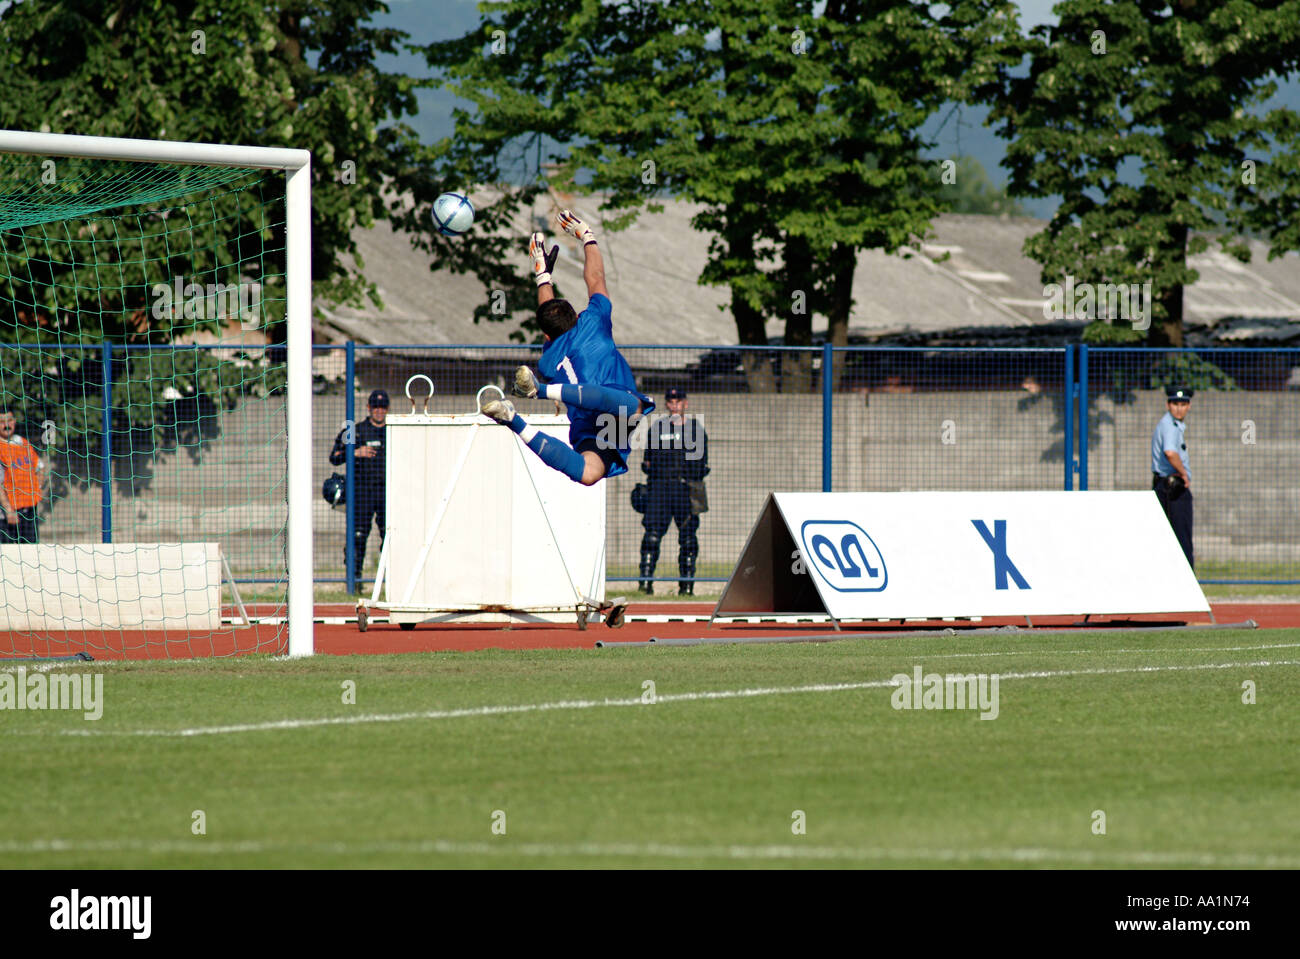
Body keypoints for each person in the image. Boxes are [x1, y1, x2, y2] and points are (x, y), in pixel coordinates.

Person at [481, 209, 654, 487]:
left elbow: (547, 317)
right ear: (576, 315)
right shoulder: (593, 321)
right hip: (611, 405)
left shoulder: (549, 359)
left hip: (589, 424)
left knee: (587, 473)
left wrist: (543, 277)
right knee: (631, 405)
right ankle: (538, 393)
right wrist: (587, 236)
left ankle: (513, 419)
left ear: (547, 335)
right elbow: (595, 278)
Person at [638, 387, 710, 595]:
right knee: (651, 536)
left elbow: (702, 463)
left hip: (685, 490)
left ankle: (686, 587)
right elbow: (647, 462)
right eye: (671, 401)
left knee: (688, 537)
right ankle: (644, 584)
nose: (674, 404)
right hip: (660, 489)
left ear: (685, 403)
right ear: (666, 404)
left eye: (678, 401)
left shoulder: (696, 430)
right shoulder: (656, 429)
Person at [330, 389, 389, 586]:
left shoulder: (393, 430)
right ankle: (354, 582)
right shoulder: (356, 431)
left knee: (389, 535)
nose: (379, 411)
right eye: (375, 407)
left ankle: (390, 581)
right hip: (362, 491)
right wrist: (355, 452)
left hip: (386, 491)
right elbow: (334, 458)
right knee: (358, 535)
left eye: (383, 407)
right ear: (369, 408)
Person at [1152, 385, 1193, 568]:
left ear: (1188, 406)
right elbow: (1170, 452)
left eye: (1183, 404)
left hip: (1162, 484)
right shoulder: (1170, 426)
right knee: (1182, 538)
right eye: (1175, 403)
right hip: (1172, 485)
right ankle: (1188, 583)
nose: (1179, 408)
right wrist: (1183, 474)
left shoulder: (1169, 424)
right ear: (1168, 405)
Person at [0, 409, 47, 544]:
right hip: (6, 514)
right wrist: (8, 510)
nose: (6, 425)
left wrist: (36, 490)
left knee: (31, 553)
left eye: (9, 420)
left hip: (29, 510)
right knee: (8, 556)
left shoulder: (23, 443)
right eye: (2, 422)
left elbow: (40, 468)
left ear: (14, 421)